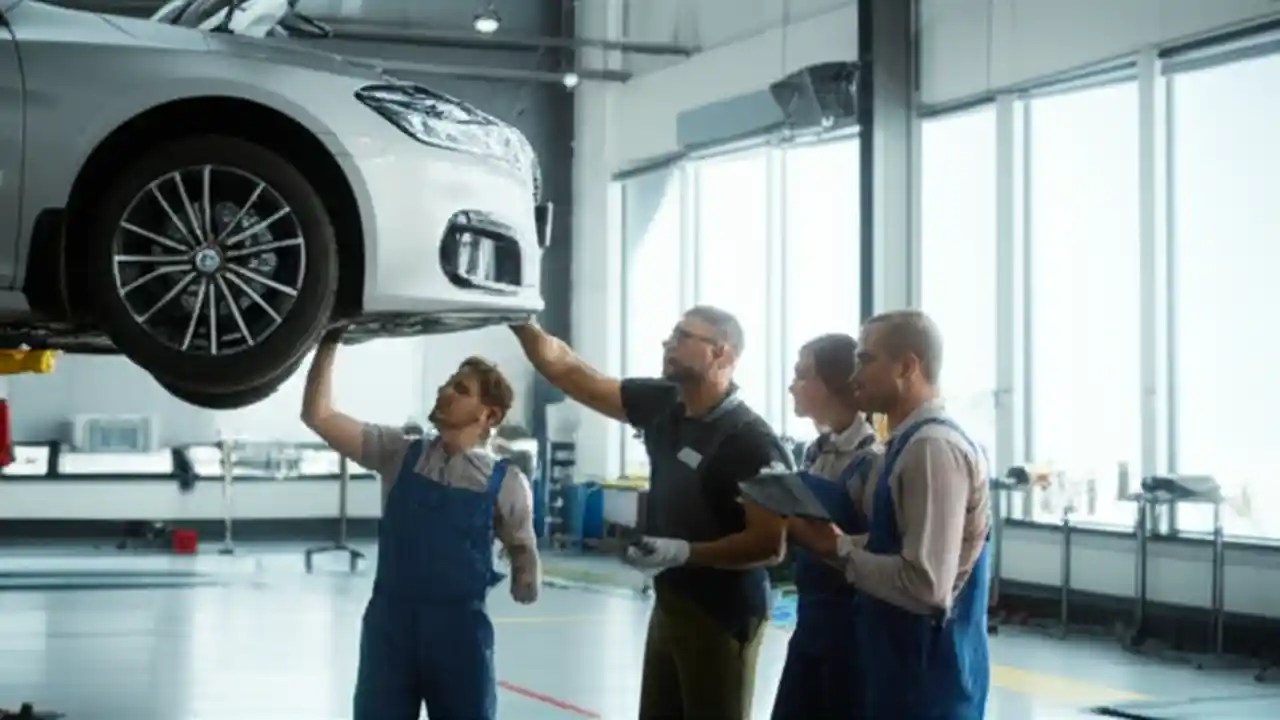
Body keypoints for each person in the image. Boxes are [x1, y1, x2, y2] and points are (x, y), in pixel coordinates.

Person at [511, 306, 793, 720]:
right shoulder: (663, 404)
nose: (668, 343)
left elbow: (770, 546)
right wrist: (520, 318)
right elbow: (570, 372)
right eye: (670, 335)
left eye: (683, 336)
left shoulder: (752, 443)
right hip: (670, 600)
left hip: (722, 614)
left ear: (722, 355)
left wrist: (684, 552)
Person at [301, 326, 541, 720]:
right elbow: (319, 415)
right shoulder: (399, 453)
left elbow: (522, 545)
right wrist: (328, 338)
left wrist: (526, 572)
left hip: (460, 637)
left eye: (460, 389)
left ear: (489, 414)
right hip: (389, 630)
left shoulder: (506, 482)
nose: (444, 391)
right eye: (447, 383)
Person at [789, 310, 991, 719]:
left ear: (907, 367)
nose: (853, 375)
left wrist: (839, 551)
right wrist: (834, 542)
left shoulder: (931, 449)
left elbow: (926, 584)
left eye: (865, 361)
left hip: (928, 679)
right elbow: (892, 544)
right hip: (894, 668)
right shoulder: (902, 446)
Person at [771, 333, 882, 720]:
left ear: (836, 383)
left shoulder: (872, 462)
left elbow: (881, 549)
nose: (792, 386)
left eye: (803, 376)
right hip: (810, 619)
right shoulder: (815, 452)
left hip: (851, 630)